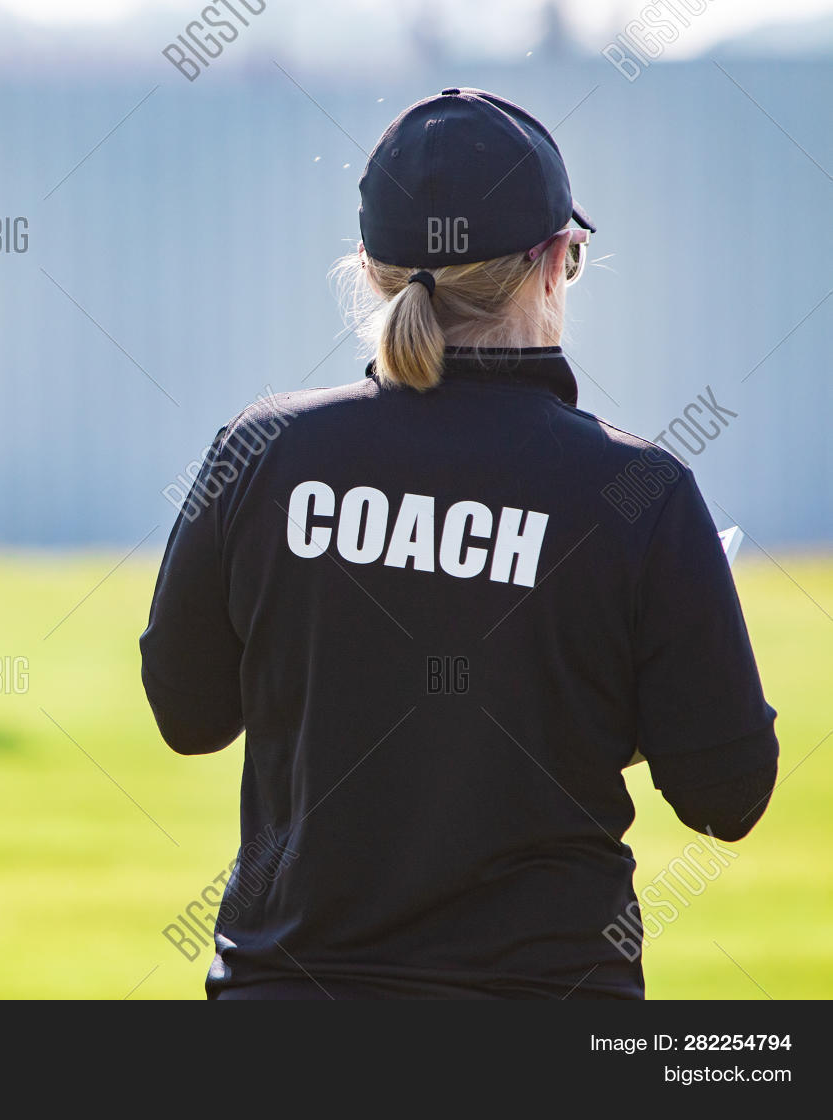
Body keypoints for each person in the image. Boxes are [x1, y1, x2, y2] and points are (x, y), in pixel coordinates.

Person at [140, 88, 779, 1000]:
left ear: (370, 268)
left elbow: (188, 715)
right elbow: (729, 793)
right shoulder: (639, 494)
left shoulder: (262, 450)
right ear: (557, 261)